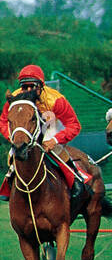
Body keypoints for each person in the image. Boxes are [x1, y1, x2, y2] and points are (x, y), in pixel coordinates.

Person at [0, 64, 89, 202]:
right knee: (13, 152)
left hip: (51, 126)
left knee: (57, 151)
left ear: (41, 85)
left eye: (33, 86)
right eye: (25, 87)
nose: (28, 90)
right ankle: (8, 182)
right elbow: (4, 121)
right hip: (26, 130)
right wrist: (14, 137)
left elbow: (74, 125)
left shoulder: (56, 99)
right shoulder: (15, 98)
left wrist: (54, 140)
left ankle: (76, 178)